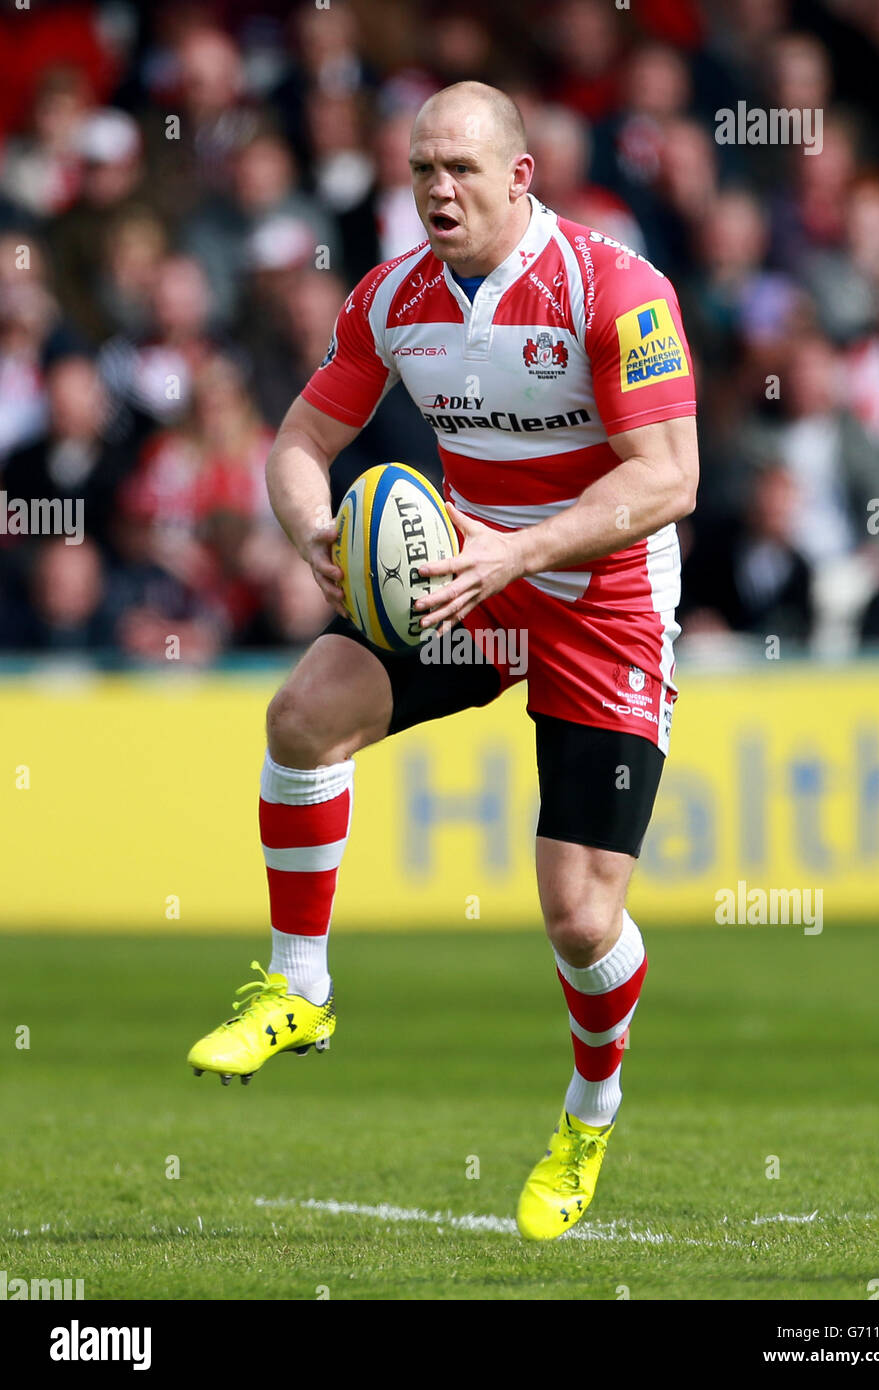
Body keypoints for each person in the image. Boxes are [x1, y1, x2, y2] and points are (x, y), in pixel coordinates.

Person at [187, 81, 699, 1241]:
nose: (437, 190)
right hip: (470, 575)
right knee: (300, 718)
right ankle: (299, 990)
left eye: (461, 168)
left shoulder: (617, 290)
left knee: (577, 918)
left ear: (522, 176)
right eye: (421, 169)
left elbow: (669, 478)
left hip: (603, 599)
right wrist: (312, 532)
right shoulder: (394, 296)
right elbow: (300, 441)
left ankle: (588, 1111)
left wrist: (517, 550)